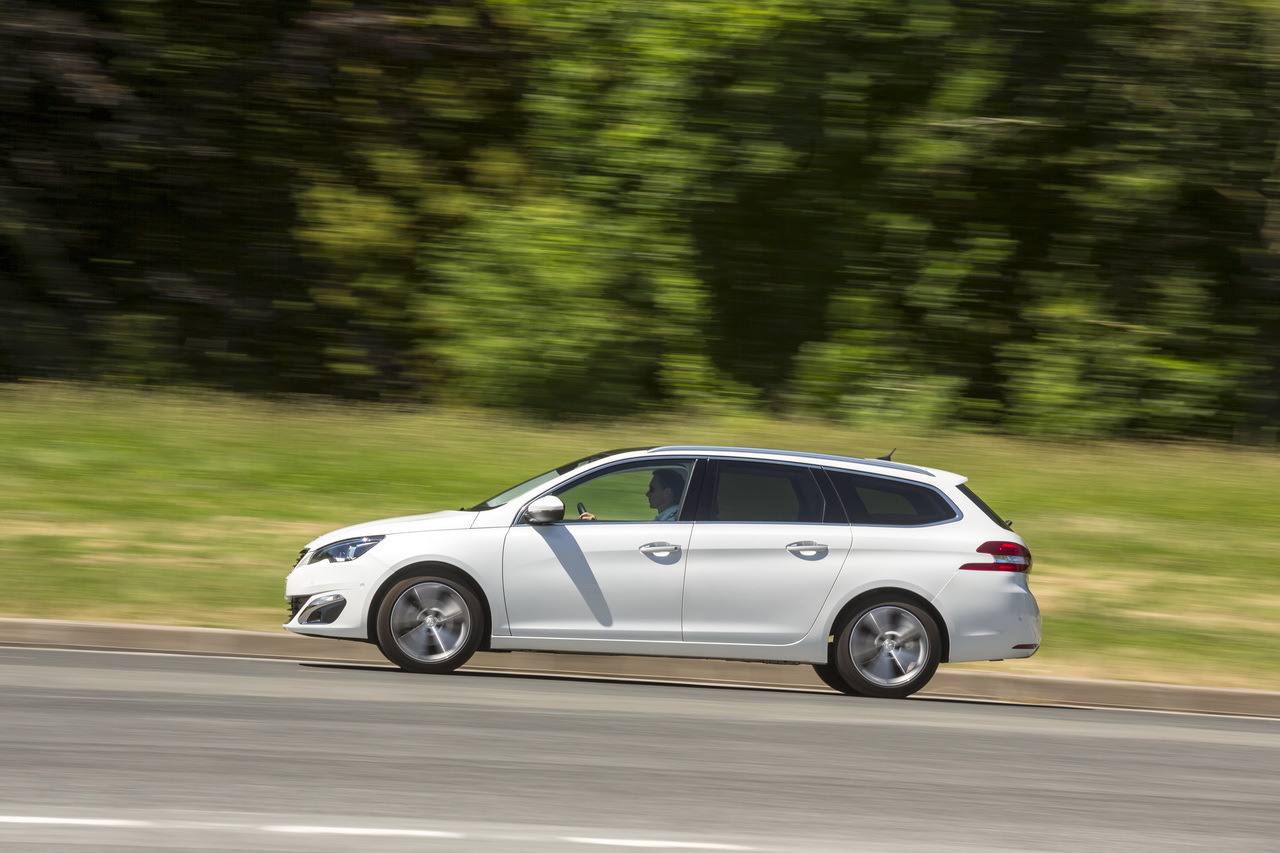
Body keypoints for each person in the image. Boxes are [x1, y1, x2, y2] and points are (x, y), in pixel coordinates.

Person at [579, 468, 685, 522]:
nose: (647, 494)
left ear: (667, 493)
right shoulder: (667, 519)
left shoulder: (672, 521)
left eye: (651, 489)